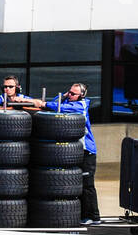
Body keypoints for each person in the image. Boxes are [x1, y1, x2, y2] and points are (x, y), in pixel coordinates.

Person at [31, 83, 100, 225]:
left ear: (81, 96)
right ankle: (81, 214)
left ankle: (94, 216)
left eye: (73, 94)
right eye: (69, 92)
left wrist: (43, 104)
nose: (70, 95)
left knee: (87, 185)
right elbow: (54, 103)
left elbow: (59, 108)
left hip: (87, 151)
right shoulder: (67, 99)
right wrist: (62, 96)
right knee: (75, 184)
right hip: (74, 152)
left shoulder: (81, 105)